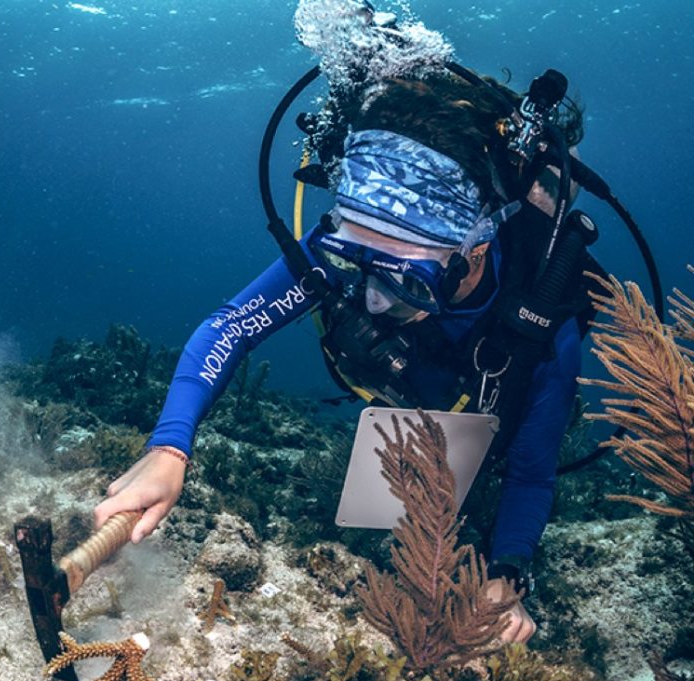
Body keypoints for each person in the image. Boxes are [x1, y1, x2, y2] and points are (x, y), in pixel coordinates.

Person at [95, 35, 592, 645]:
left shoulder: (541, 317)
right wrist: (169, 449)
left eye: (405, 283)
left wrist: (506, 573)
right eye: (355, 266)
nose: (374, 300)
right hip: (409, 400)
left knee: (503, 454)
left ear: (477, 249)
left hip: (492, 404)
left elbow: (533, 472)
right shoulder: (347, 247)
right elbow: (230, 326)